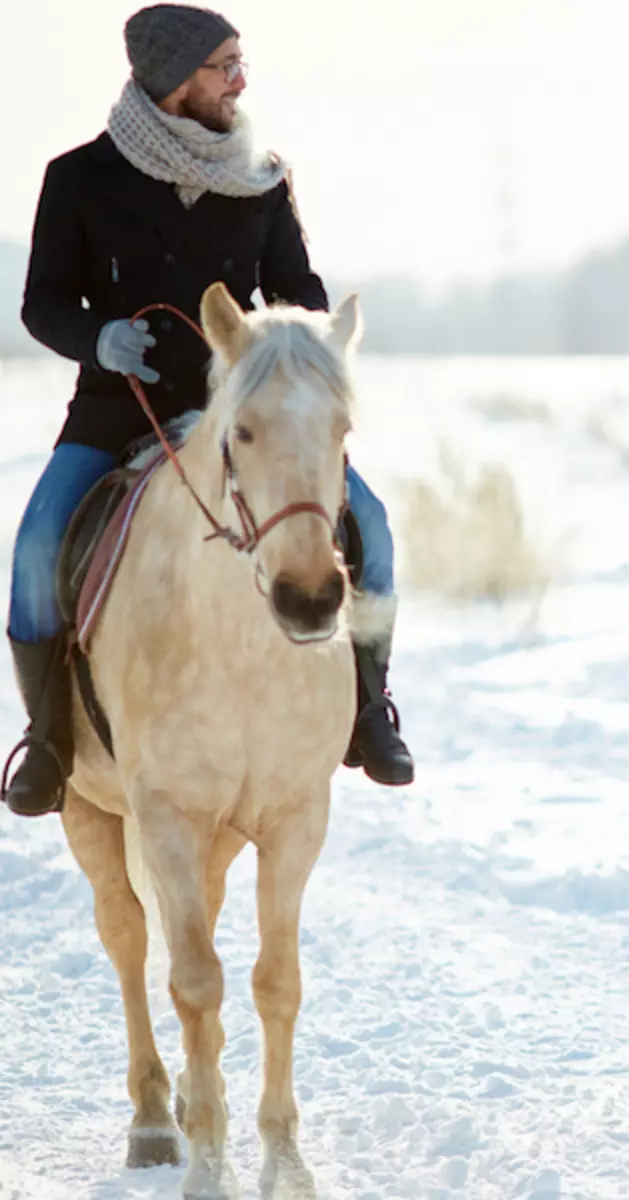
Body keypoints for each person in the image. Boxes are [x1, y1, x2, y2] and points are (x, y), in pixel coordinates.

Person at [5, 3, 414, 817]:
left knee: (369, 524)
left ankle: (368, 712)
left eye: (239, 63)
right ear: (172, 80)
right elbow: (42, 302)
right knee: (37, 543)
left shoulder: (264, 176)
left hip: (249, 418)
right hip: (118, 409)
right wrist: (101, 338)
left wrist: (277, 338)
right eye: (223, 65)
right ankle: (50, 742)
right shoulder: (78, 178)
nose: (239, 80)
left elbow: (301, 292)